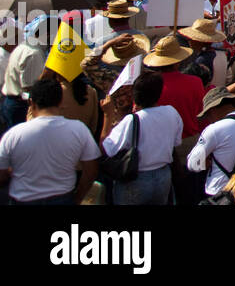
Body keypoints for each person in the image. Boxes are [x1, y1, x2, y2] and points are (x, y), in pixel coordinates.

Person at [0, 77, 100, 205]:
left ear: (31, 102)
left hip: (23, 198)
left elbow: (1, 175)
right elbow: (92, 170)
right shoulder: (79, 130)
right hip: (63, 198)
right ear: (60, 101)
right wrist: (78, 196)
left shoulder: (13, 135)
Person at [98, 70, 183, 205]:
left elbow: (106, 148)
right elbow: (176, 142)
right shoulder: (171, 112)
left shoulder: (132, 120)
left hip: (137, 180)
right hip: (163, 176)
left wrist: (108, 115)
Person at [186, 88, 235, 198]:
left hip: (220, 193)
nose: (209, 120)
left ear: (213, 109)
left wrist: (206, 163)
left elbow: (193, 164)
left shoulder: (215, 129)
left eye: (208, 115)